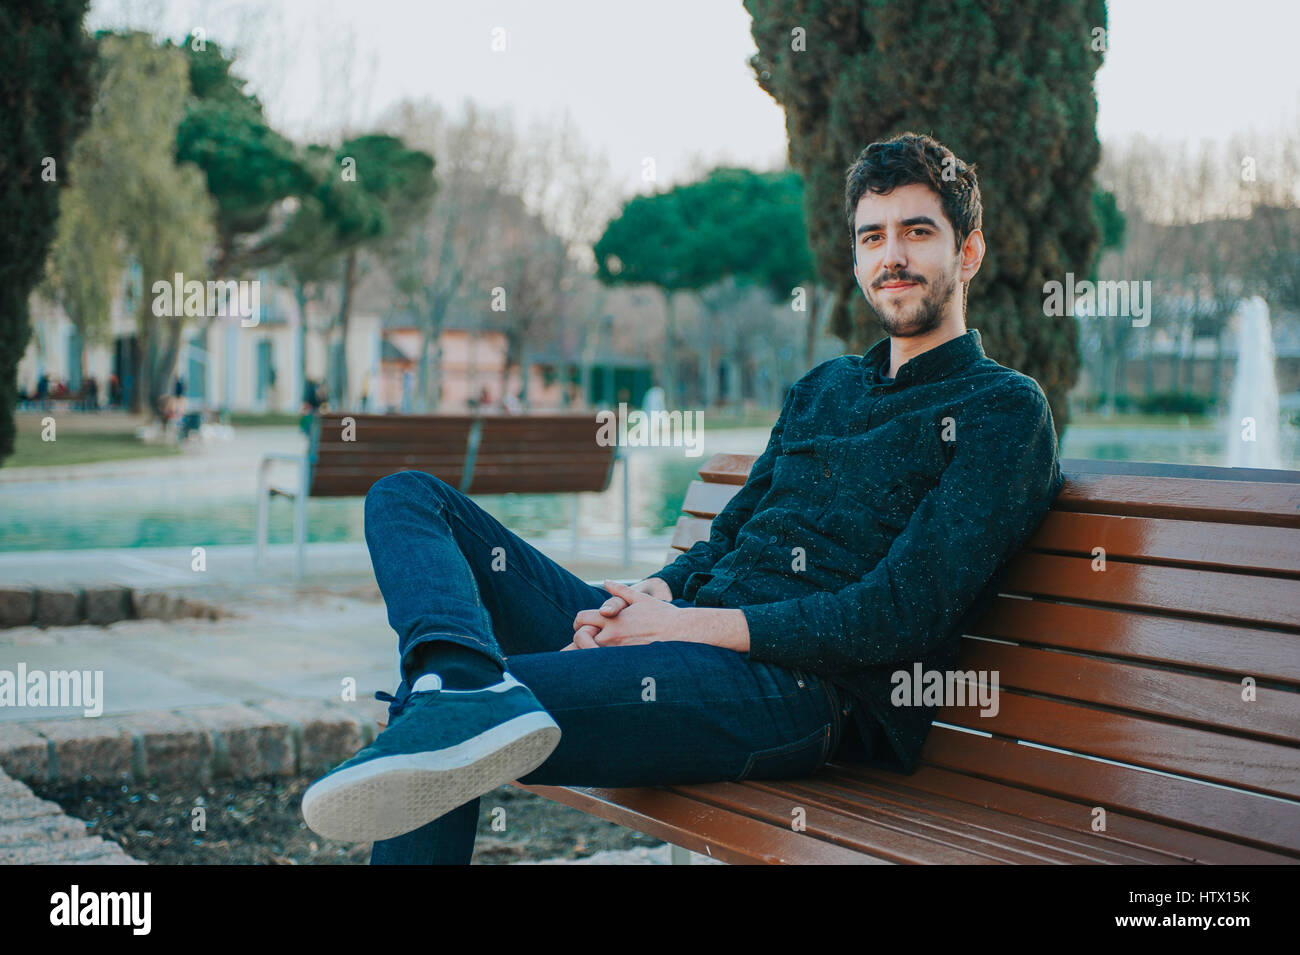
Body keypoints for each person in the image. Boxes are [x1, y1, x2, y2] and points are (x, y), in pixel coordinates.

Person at [300, 132, 1065, 863]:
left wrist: (681, 625)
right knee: (407, 499)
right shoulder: (824, 387)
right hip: (685, 636)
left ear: (967, 252)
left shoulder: (1003, 410)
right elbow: (725, 539)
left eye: (917, 232)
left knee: (452, 725)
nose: (891, 256)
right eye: (872, 237)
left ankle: (454, 694)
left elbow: (893, 615)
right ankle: (452, 673)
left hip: (801, 693)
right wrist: (645, 596)